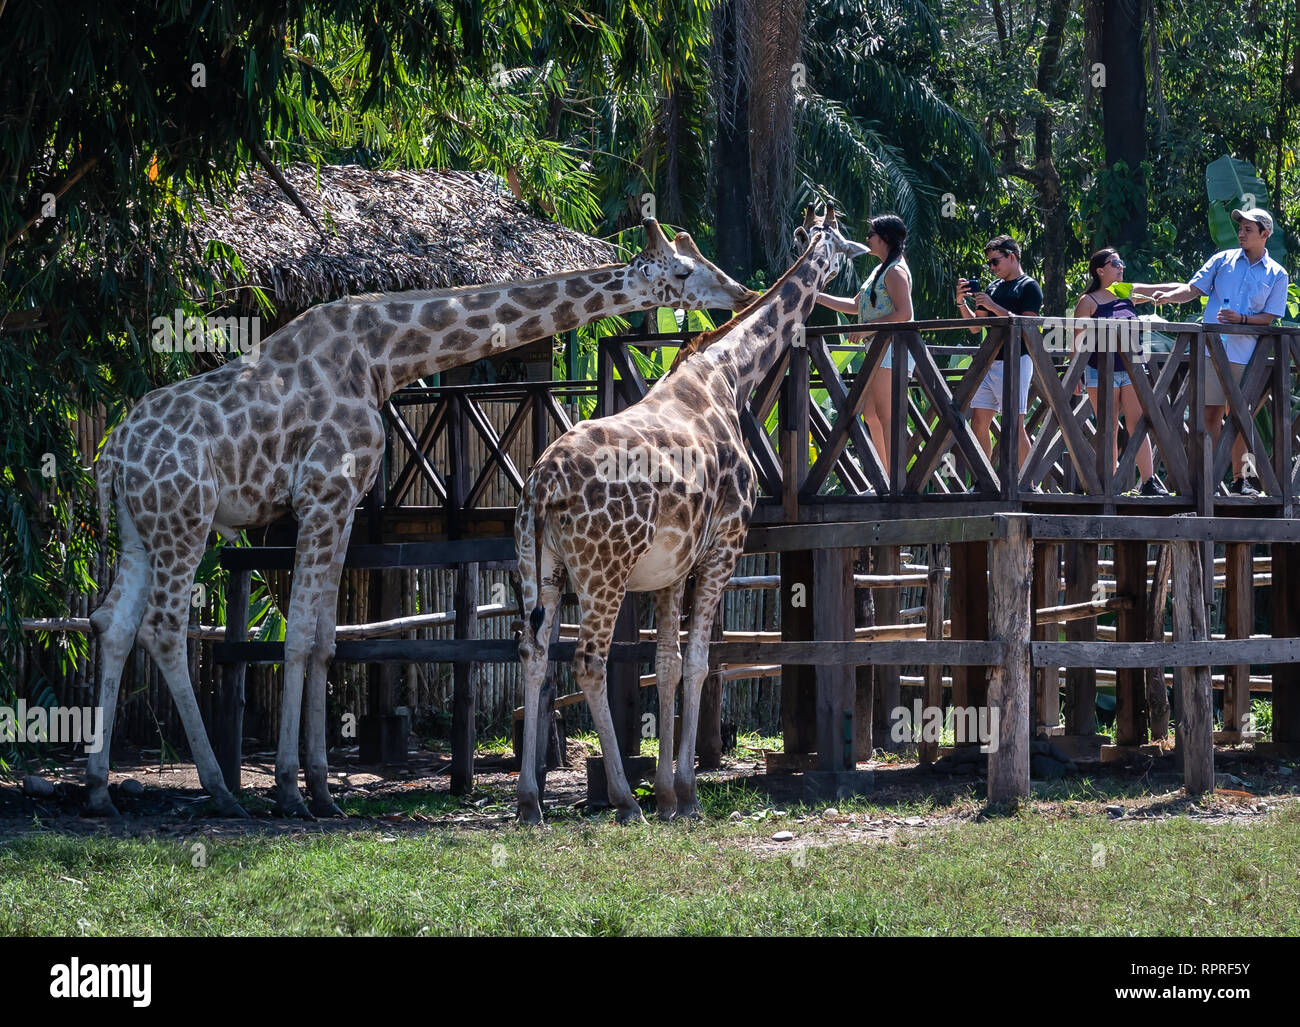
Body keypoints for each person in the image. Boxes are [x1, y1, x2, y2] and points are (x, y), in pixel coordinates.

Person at [1133, 208, 1289, 496]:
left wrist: (1241, 320)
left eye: (1248, 229)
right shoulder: (1222, 260)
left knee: (1243, 418)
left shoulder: (1277, 274)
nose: (1241, 233)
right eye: (1240, 228)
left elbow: (1270, 316)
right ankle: (1212, 478)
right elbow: (1193, 289)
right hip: (1211, 353)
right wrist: (1170, 297)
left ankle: (1241, 480)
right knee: (1208, 416)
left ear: (1265, 234)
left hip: (1246, 355)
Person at [816, 213, 913, 477]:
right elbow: (855, 305)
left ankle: (896, 483)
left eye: (871, 234)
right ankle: (885, 477)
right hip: (877, 347)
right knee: (870, 416)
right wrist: (816, 295)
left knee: (886, 416)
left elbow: (905, 313)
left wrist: (866, 329)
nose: (867, 239)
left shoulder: (895, 272)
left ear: (885, 239)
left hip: (892, 348)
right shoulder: (880, 269)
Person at [1071, 248, 1168, 496]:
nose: (1121, 266)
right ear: (1100, 270)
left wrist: (1193, 288)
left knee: (1138, 424)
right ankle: (1108, 483)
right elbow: (1077, 342)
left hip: (1131, 369)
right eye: (1115, 263)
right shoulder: (1088, 301)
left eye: (1121, 262)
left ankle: (1148, 481)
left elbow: (1160, 289)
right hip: (1100, 371)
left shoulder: (1126, 292)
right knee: (1109, 425)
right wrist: (1075, 376)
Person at [956, 234, 1040, 473]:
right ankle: (985, 480)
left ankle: (1028, 483)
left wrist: (993, 306)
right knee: (979, 422)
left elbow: (1028, 326)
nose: (992, 268)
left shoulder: (1029, 286)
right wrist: (962, 303)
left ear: (1011, 257)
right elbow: (974, 327)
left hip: (1015, 361)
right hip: (989, 361)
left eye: (995, 261)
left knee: (1015, 424)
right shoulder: (993, 287)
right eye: (990, 263)